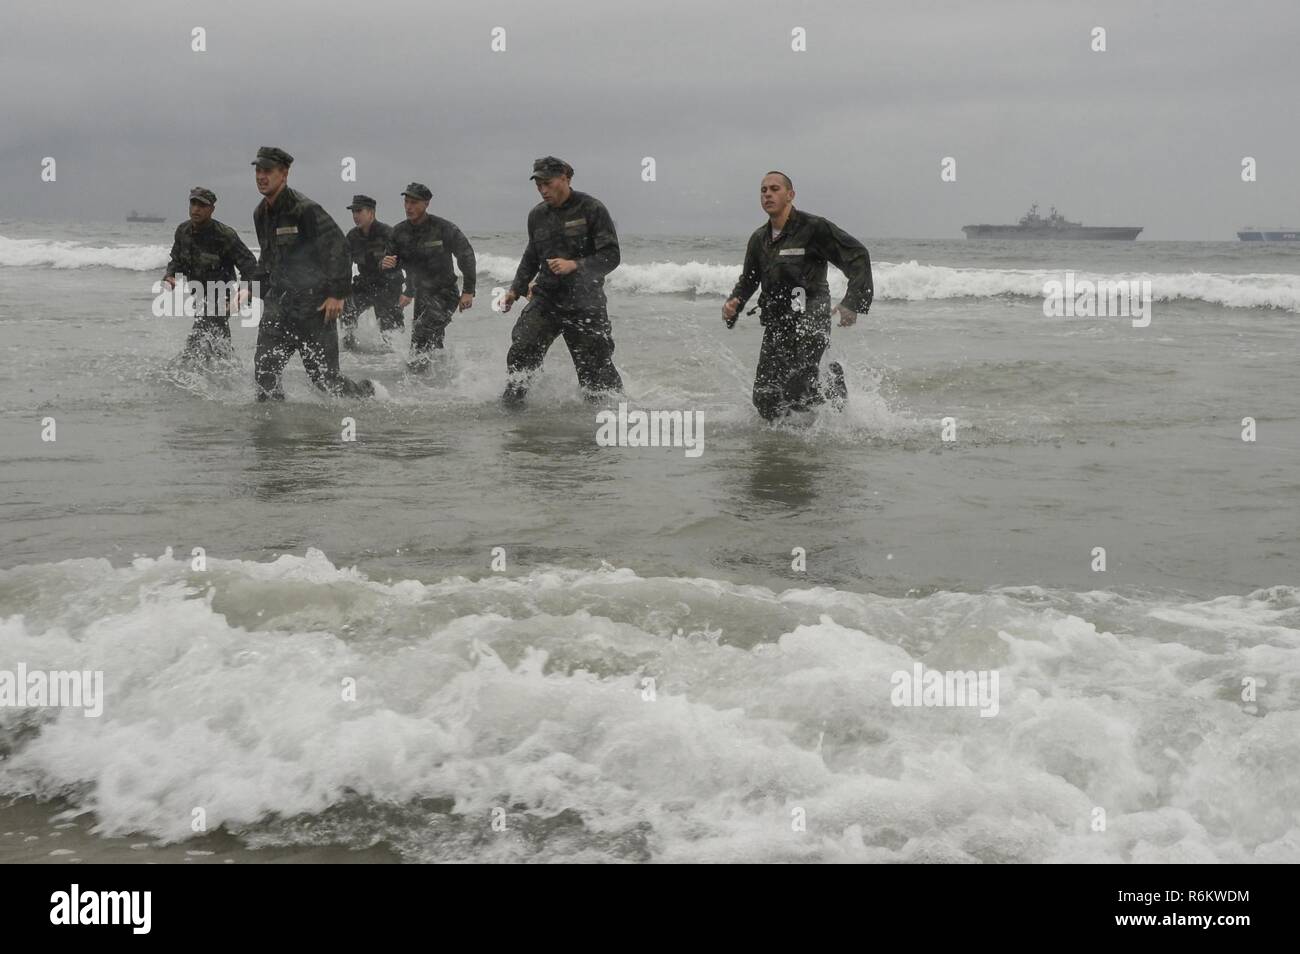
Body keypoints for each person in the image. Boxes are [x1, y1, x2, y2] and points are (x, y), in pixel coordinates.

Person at [722, 171, 873, 421]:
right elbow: (749, 280)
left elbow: (857, 255)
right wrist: (734, 304)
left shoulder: (814, 228)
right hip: (777, 324)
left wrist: (853, 302)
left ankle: (831, 388)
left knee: (796, 390)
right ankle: (786, 446)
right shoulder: (759, 239)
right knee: (765, 400)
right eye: (763, 190)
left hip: (811, 320)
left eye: (774, 189)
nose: (768, 194)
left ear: (790, 195)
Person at [249, 146, 373, 400]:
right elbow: (268, 256)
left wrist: (337, 295)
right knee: (265, 374)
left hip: (314, 307)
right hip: (279, 306)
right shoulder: (260, 213)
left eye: (268, 171)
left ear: (284, 174)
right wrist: (255, 289)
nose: (262, 176)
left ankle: (366, 394)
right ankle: (271, 435)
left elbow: (338, 248)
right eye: (258, 171)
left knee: (326, 381)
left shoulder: (304, 209)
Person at [499, 156, 623, 405]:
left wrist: (575, 265)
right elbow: (531, 255)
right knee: (522, 349)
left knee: (596, 377)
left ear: (565, 178)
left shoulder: (592, 209)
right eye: (538, 185)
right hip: (547, 299)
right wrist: (515, 289)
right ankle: (513, 409)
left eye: (547, 183)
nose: (543, 190)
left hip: (585, 302)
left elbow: (611, 256)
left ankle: (608, 418)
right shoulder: (537, 215)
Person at [380, 182, 475, 371]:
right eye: (406, 202)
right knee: (431, 341)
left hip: (445, 293)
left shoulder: (443, 228)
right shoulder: (399, 232)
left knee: (421, 335)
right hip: (422, 295)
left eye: (414, 202)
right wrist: (385, 265)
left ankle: (415, 379)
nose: (408, 207)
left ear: (427, 203)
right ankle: (439, 383)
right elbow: (390, 262)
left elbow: (466, 255)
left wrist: (468, 291)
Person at [161, 187, 257, 365]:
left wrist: (244, 296)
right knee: (217, 346)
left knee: (195, 345)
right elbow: (176, 258)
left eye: (202, 205)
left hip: (221, 297)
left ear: (212, 209)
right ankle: (231, 375)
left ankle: (188, 377)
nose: (196, 209)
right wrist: (170, 275)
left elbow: (250, 266)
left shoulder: (224, 235)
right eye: (193, 203)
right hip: (199, 297)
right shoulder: (183, 231)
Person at [340, 195, 404, 351]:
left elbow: (406, 260)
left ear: (371, 213)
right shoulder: (352, 236)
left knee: (390, 334)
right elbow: (344, 266)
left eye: (359, 211)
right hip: (365, 284)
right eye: (353, 212)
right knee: (346, 307)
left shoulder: (388, 233)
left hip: (388, 285)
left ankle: (393, 361)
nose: (355, 216)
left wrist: (409, 290)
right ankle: (350, 349)